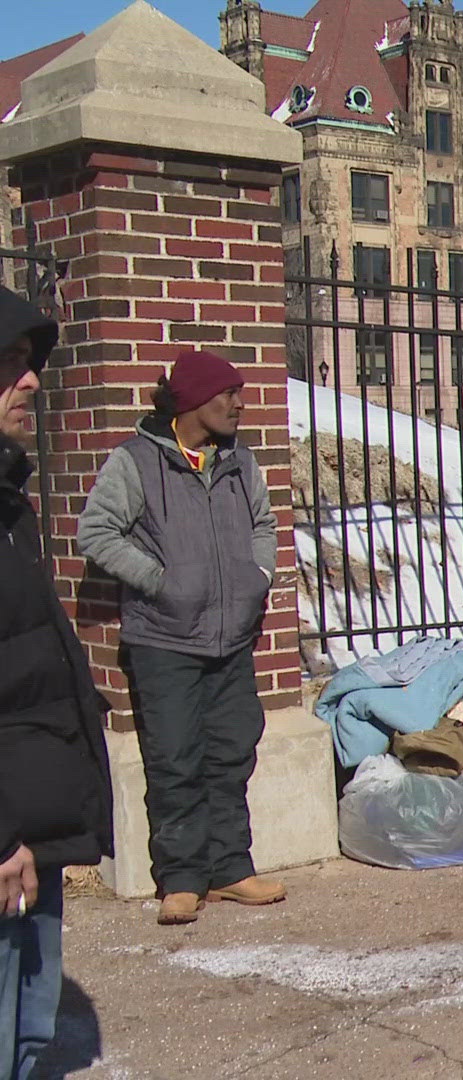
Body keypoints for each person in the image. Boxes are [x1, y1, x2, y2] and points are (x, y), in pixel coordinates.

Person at [77, 350, 283, 927]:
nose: (240, 405)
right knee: (174, 759)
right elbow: (96, 531)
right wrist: (159, 581)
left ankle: (230, 869)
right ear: (194, 400)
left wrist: (256, 577)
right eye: (228, 395)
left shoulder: (241, 461)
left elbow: (264, 524)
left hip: (231, 638)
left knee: (231, 754)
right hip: (164, 640)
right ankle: (182, 878)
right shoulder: (137, 461)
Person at [0, 287, 112, 1079]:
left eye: (30, 363)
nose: (32, 380)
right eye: (9, 364)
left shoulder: (12, 503)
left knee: (28, 1035)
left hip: (28, 828)